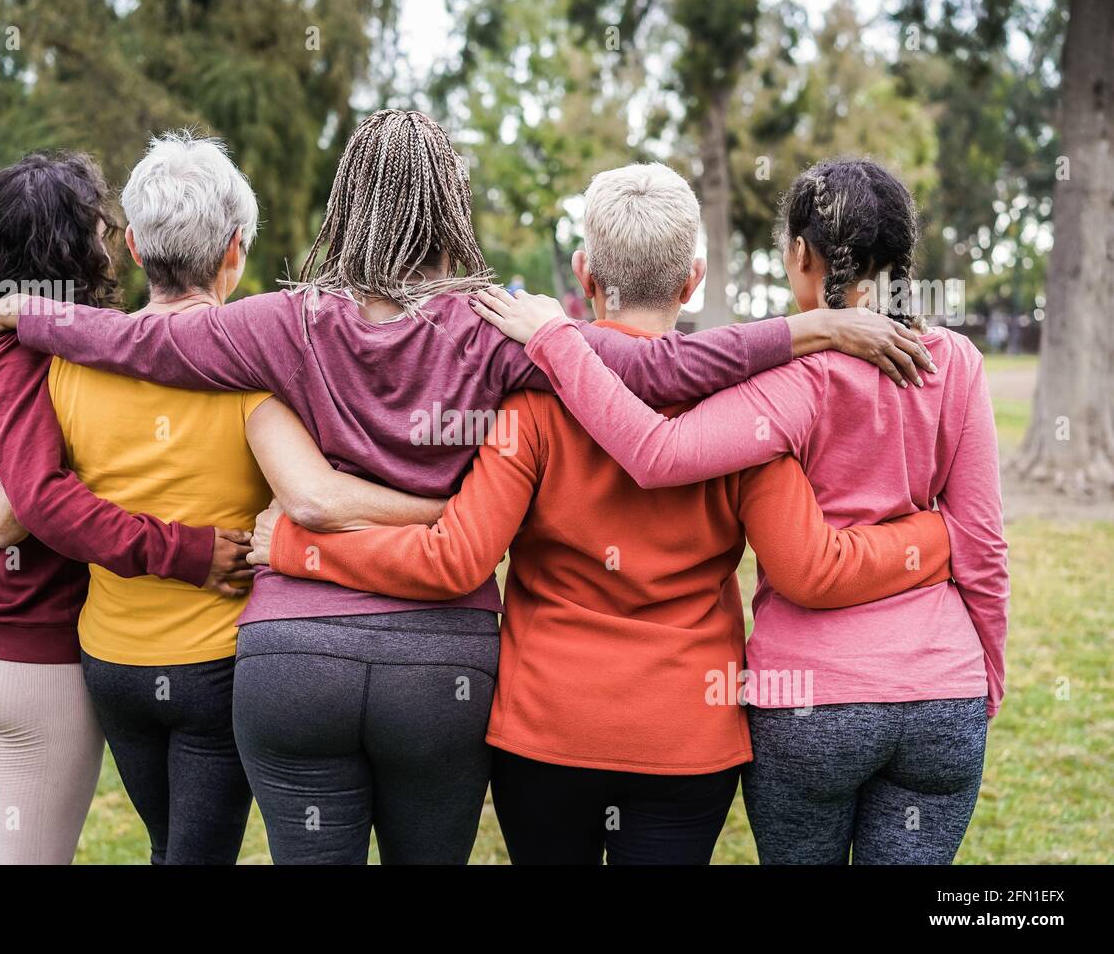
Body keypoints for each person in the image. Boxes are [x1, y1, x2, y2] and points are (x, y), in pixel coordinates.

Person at [0, 111, 933, 865]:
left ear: (348, 201)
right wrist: (810, 328)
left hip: (292, 655)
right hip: (442, 665)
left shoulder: (285, 320)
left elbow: (133, 340)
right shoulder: (494, 324)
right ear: (449, 205)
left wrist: (17, 311)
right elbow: (659, 371)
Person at [241, 163, 955, 864]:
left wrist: (302, 548)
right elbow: (806, 560)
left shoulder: (533, 405)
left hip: (547, 736)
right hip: (687, 739)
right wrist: (934, 533)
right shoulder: (743, 411)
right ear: (694, 279)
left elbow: (456, 556)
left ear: (583, 276)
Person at [474, 158, 1008, 865]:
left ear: (798, 255)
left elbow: (659, 453)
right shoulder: (959, 364)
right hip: (932, 691)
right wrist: (982, 672)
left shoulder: (785, 380)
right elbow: (985, 549)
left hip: (788, 706)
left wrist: (552, 340)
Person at [0, 132, 448, 864]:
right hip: (216, 666)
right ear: (236, 251)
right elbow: (313, 494)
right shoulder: (253, 380)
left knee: (168, 846)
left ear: (139, 256)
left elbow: (34, 498)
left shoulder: (66, 369)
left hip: (111, 661)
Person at [0, 151, 251, 865]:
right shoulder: (37, 361)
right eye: (97, 231)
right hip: (27, 655)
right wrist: (187, 550)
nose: (108, 246)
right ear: (70, 249)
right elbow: (30, 503)